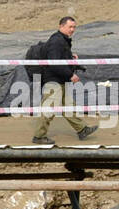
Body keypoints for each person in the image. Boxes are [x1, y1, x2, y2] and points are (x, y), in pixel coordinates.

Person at [31, 16, 97, 145]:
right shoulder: (57, 41)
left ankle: (82, 129)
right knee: (48, 109)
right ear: (61, 26)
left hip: (60, 79)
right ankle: (39, 136)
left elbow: (58, 57)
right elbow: (54, 62)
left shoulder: (62, 40)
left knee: (68, 106)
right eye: (69, 27)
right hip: (54, 80)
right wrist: (70, 75)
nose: (72, 30)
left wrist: (69, 56)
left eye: (74, 27)